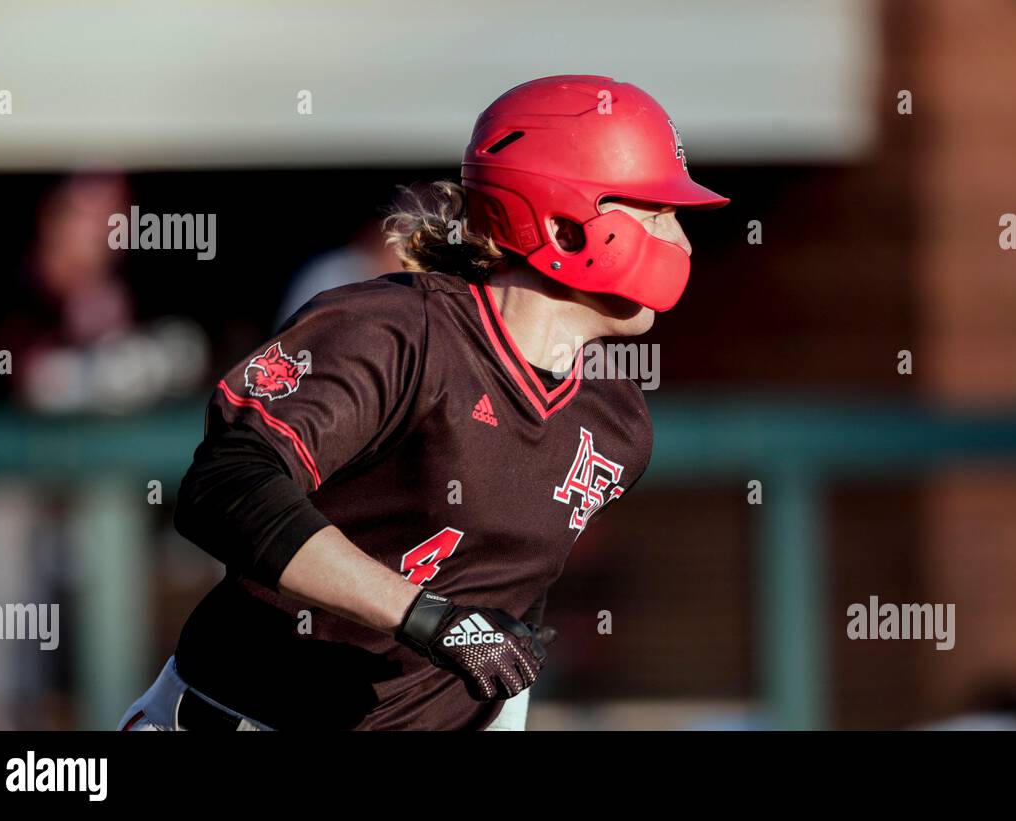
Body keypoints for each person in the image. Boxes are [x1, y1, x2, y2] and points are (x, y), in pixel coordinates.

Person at [119, 75, 728, 730]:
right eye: (656, 213)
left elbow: (506, 628)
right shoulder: (396, 329)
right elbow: (225, 486)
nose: (682, 242)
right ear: (562, 223)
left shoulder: (617, 424)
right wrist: (428, 617)